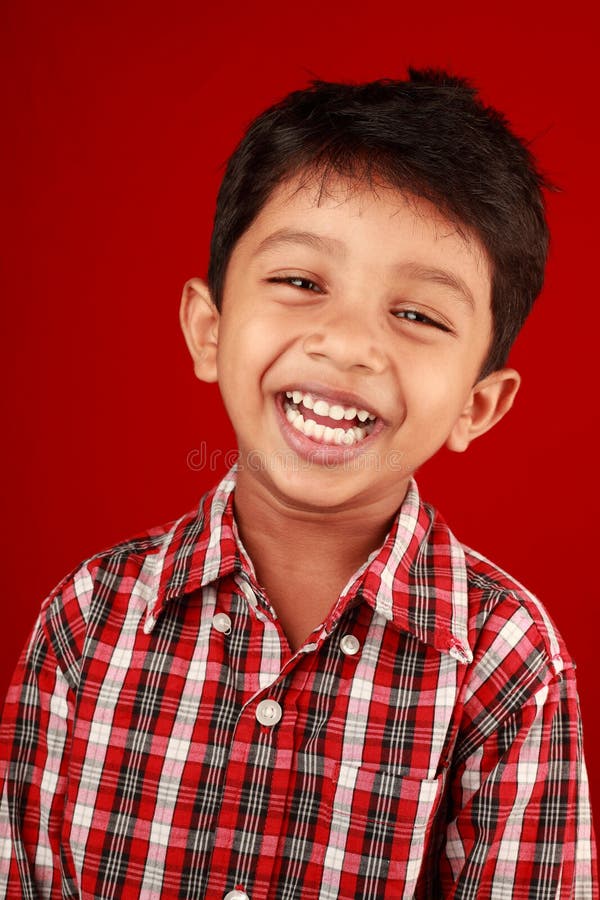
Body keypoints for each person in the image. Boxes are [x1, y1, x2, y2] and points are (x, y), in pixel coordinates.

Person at [0, 68, 596, 899]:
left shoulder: (507, 665)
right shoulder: (86, 618)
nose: (348, 344)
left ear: (479, 406)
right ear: (208, 330)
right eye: (301, 282)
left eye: (418, 314)